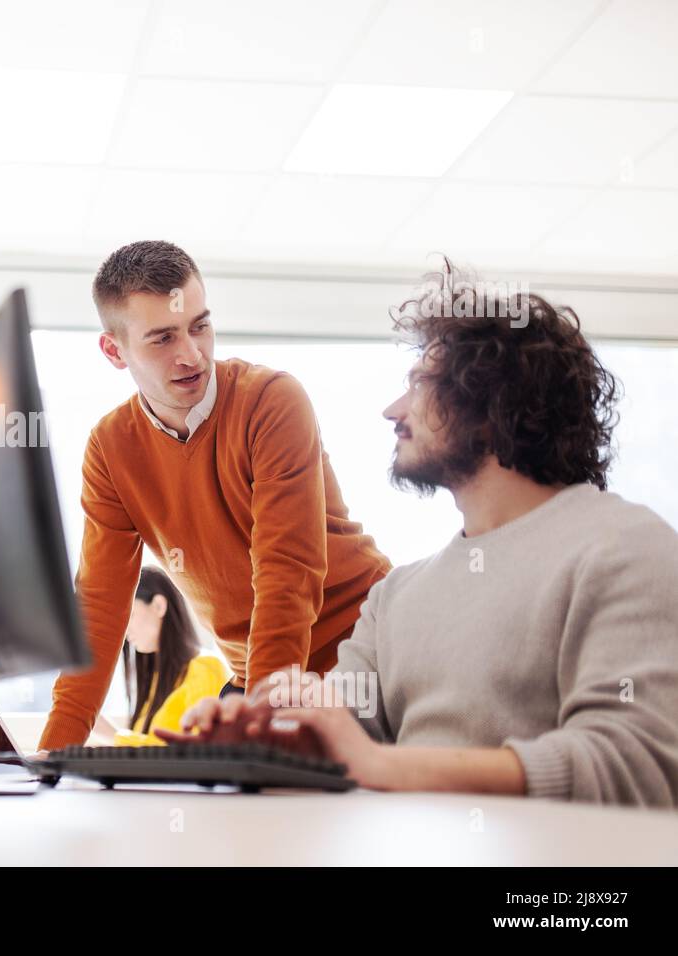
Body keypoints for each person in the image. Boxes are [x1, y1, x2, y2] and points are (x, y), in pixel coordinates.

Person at [162, 262, 678, 808]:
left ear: (491, 404)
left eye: (420, 385)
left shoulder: (627, 549)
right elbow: (341, 734)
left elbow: (637, 765)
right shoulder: (396, 597)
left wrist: (382, 765)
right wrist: (264, 734)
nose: (393, 410)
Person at [39, 240, 390, 752]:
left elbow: (285, 573)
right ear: (115, 351)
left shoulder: (270, 401)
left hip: (365, 652)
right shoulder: (110, 449)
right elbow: (99, 605)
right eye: (162, 338)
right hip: (265, 675)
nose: (191, 355)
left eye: (199, 326)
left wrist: (263, 723)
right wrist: (51, 755)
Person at [89, 567, 226, 746]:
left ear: (159, 606)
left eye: (129, 615)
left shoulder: (206, 668)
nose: (123, 630)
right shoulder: (157, 678)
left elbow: (196, 752)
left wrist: (112, 735)